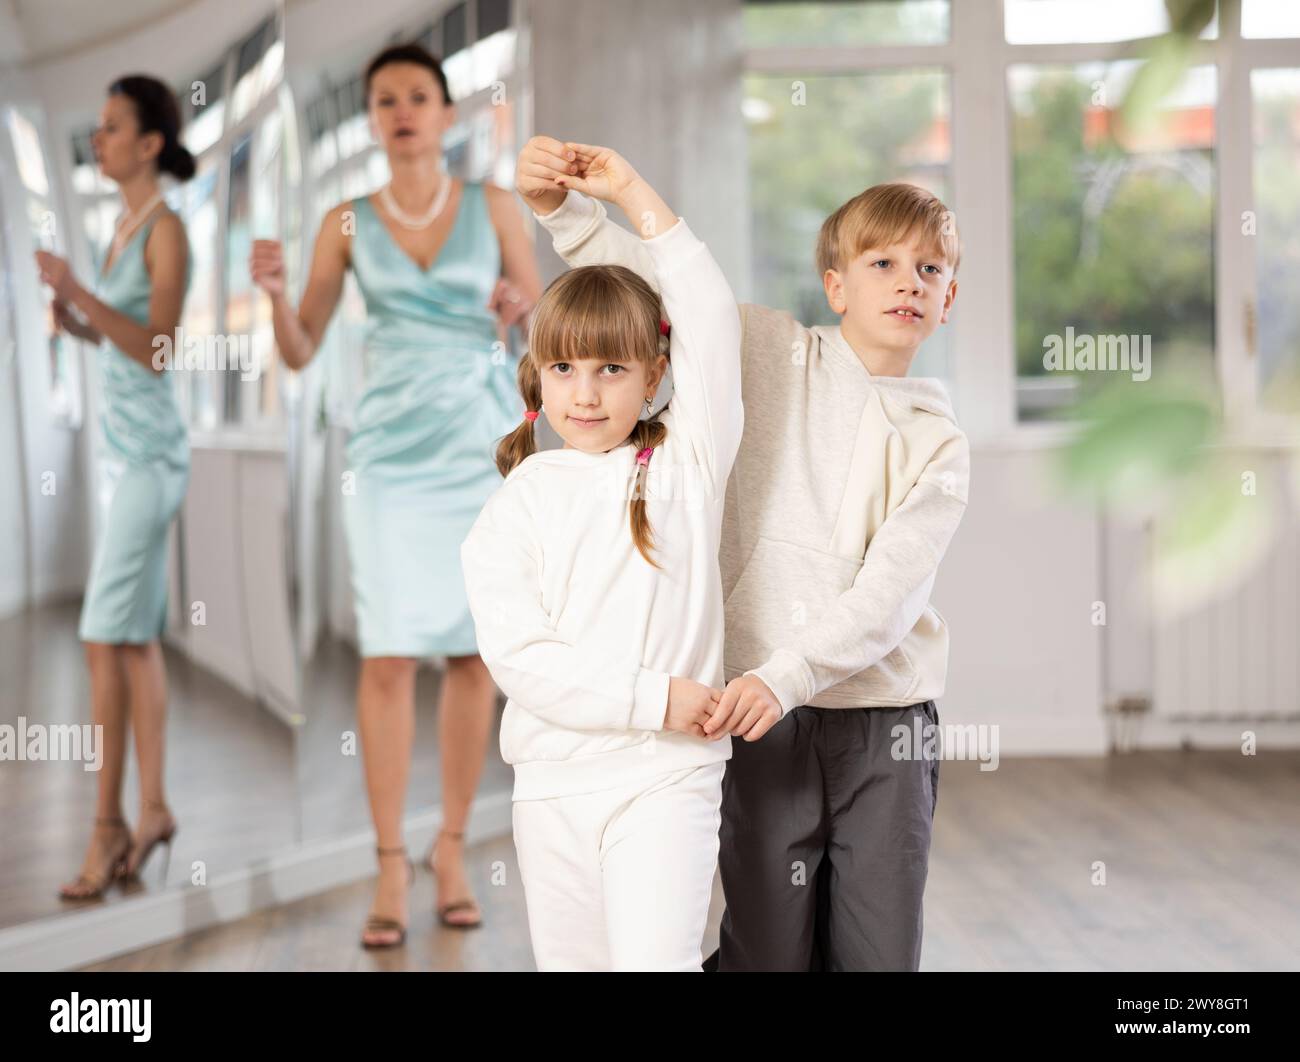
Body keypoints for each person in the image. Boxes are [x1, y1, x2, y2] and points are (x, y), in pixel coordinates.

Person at [521, 136, 969, 971]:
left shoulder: (940, 444)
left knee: (879, 954)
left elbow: (891, 595)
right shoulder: (766, 351)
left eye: (931, 269)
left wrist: (788, 675)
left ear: (951, 297)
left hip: (883, 730)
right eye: (881, 263)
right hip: (758, 726)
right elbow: (666, 288)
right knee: (766, 947)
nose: (909, 280)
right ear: (835, 284)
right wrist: (573, 212)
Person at [249, 43, 541, 947]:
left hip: (476, 444)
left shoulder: (494, 205)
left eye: (419, 97)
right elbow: (301, 350)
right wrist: (269, 296)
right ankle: (388, 863)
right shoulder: (344, 219)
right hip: (385, 458)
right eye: (386, 100)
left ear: (446, 115)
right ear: (372, 119)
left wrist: (514, 306)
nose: (403, 111)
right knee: (387, 657)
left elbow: (534, 313)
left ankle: (450, 849)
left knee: (469, 656)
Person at [460, 144, 744, 971]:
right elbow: (524, 660)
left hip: (666, 779)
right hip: (550, 790)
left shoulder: (688, 467)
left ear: (656, 374)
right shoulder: (515, 507)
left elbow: (708, 311)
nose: (585, 392)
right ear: (539, 379)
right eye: (565, 368)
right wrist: (658, 696)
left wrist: (626, 190)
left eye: (612, 368)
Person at [37, 74, 195, 901]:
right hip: (121, 457)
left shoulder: (167, 231)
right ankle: (157, 808)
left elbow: (160, 348)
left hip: (152, 462)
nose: (96, 140)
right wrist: (76, 322)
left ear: (148, 144)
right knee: (134, 639)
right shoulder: (123, 228)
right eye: (93, 128)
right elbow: (123, 339)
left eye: (109, 128)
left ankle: (107, 828)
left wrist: (77, 292)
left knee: (102, 636)